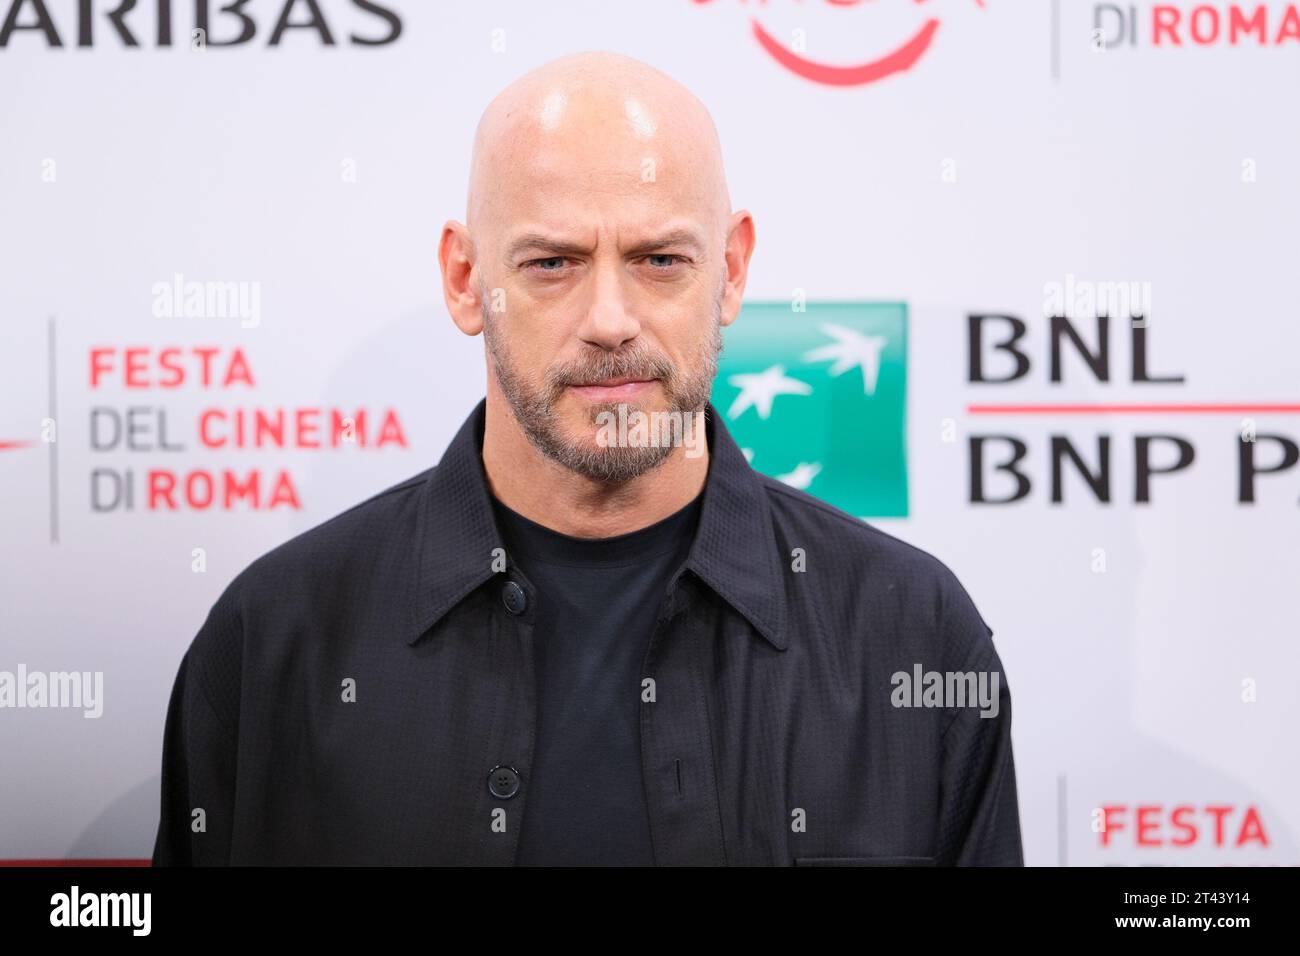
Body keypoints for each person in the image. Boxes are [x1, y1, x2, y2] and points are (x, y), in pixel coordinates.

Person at [152, 49, 1023, 866]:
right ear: (465, 279)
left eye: (660, 259)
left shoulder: (912, 633)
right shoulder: (272, 641)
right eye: (553, 263)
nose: (611, 317)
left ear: (731, 269)